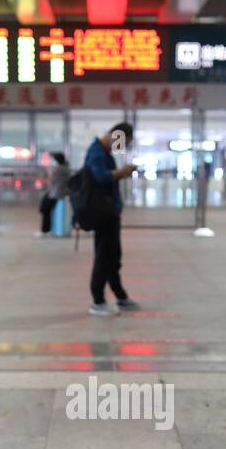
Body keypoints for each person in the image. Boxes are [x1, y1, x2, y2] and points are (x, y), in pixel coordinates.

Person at [83, 121, 140, 317]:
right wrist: (120, 173)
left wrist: (120, 174)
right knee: (104, 257)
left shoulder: (104, 153)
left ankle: (120, 296)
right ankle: (98, 300)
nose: (122, 147)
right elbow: (99, 177)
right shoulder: (97, 152)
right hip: (103, 213)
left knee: (113, 257)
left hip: (110, 212)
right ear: (116, 135)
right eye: (123, 142)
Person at [36, 152, 70, 237]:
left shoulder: (59, 169)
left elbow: (51, 179)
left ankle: (45, 230)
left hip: (57, 194)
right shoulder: (64, 168)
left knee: (45, 209)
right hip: (56, 193)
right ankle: (46, 229)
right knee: (45, 205)